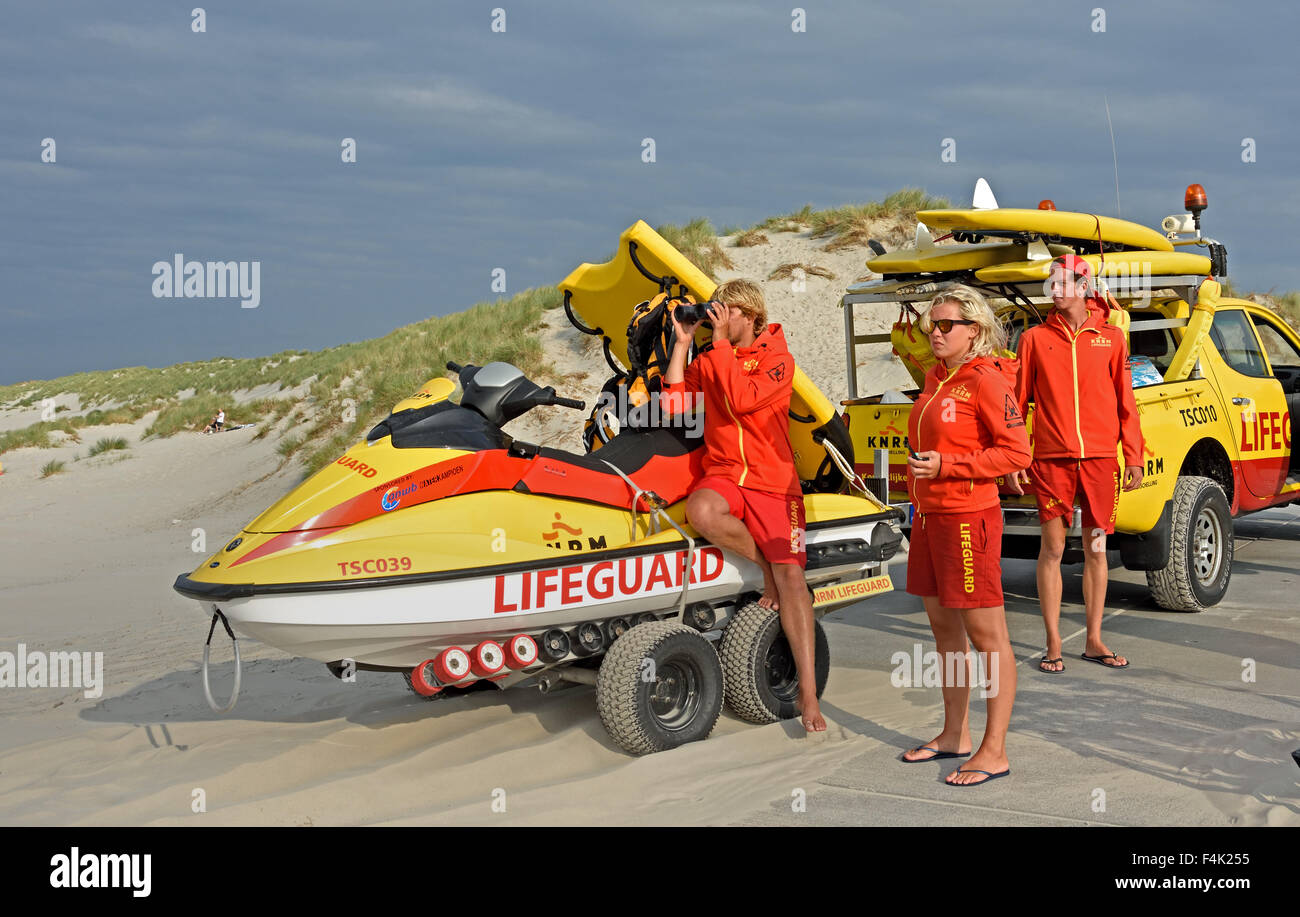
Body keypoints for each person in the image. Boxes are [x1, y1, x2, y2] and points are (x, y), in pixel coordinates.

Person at [661, 279, 825, 732]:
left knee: (793, 580)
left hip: (774, 482)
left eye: (726, 311)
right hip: (727, 473)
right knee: (703, 512)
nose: (720, 317)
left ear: (750, 316)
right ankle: (766, 570)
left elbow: (742, 399)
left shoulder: (779, 360)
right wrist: (683, 344)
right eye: (716, 310)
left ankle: (808, 694)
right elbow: (674, 404)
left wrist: (717, 349)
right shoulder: (715, 355)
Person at [900, 285, 1030, 786]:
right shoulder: (936, 376)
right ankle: (955, 733)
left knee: (987, 637)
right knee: (943, 631)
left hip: (967, 518)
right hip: (929, 517)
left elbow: (1018, 454)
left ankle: (994, 749)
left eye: (946, 324)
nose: (934, 332)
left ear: (973, 330)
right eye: (932, 324)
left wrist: (948, 465)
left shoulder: (987, 381)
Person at [1010, 255, 1143, 673]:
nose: (1056, 288)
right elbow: (1016, 403)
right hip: (1051, 461)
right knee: (1051, 548)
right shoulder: (1033, 339)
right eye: (1052, 281)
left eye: (1064, 281)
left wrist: (1134, 454)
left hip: (1102, 460)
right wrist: (1015, 455)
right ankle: (1053, 642)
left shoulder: (1112, 338)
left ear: (1084, 286)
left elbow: (1127, 402)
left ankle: (1093, 639)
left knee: (1097, 548)